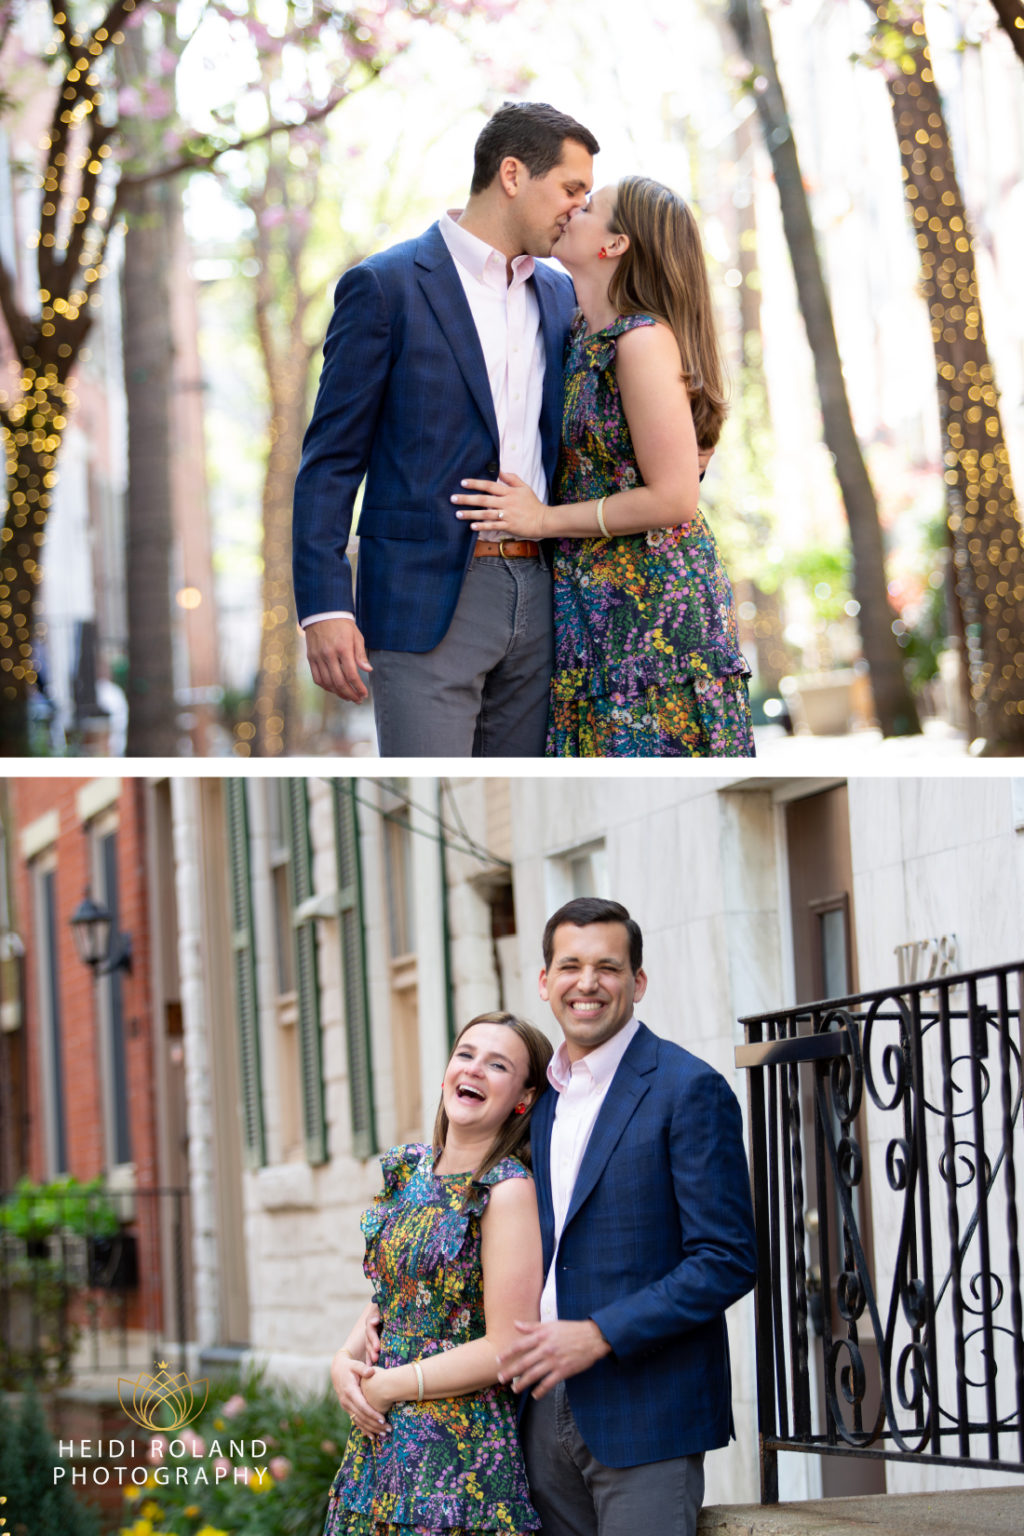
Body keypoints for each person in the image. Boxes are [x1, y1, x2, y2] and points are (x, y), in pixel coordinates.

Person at [293, 102, 599, 758]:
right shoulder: (385, 286)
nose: (579, 209)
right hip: (423, 602)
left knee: (517, 804)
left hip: (544, 597)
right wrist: (325, 606)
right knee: (429, 792)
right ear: (512, 174)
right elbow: (330, 461)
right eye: (571, 189)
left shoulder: (560, 295)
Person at [453, 177, 756, 757]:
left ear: (614, 244)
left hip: (653, 612)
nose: (572, 210)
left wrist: (541, 520)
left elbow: (675, 499)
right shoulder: (573, 332)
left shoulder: (641, 341)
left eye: (589, 206)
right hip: (587, 606)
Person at [494, 897, 758, 1536]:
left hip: (647, 1412)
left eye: (607, 967)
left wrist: (600, 1333)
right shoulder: (543, 1101)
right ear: (545, 981)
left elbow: (726, 1259)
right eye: (570, 966)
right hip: (539, 1409)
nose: (587, 983)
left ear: (637, 982)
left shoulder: (688, 1088)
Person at [323, 1011, 553, 1536]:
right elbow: (392, 1297)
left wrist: (392, 1386)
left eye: (498, 1065)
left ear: (523, 1098)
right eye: (465, 1055)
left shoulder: (506, 1190)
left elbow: (507, 1345)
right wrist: (344, 1360)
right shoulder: (410, 1170)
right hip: (377, 1449)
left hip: (455, 1460)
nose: (473, 1069)